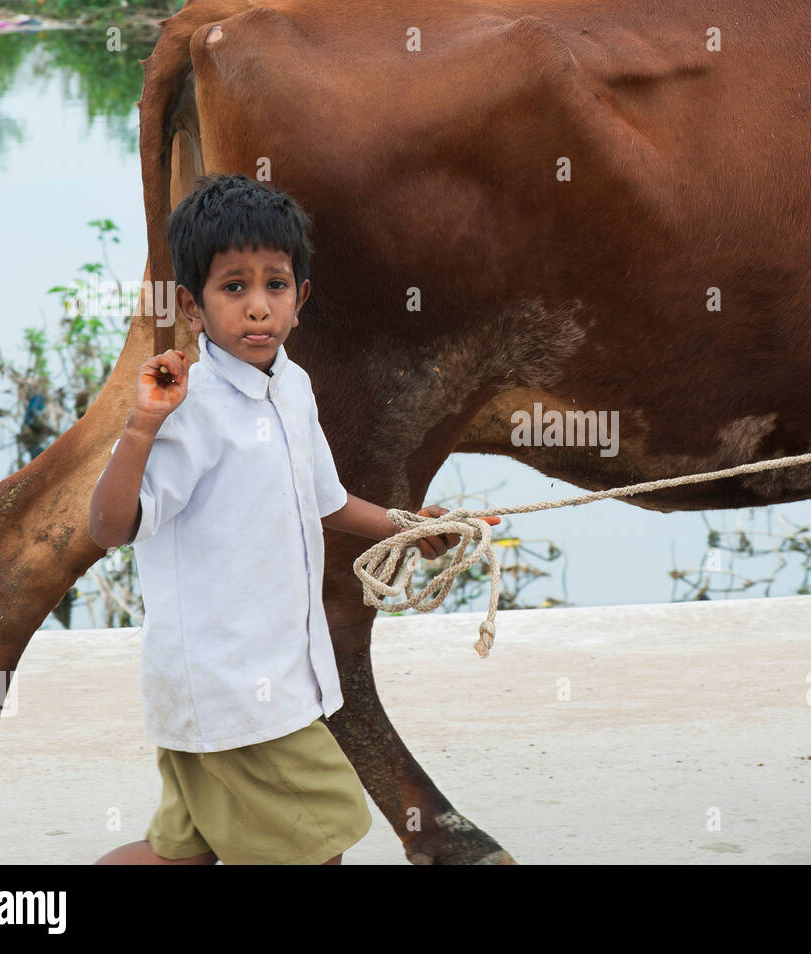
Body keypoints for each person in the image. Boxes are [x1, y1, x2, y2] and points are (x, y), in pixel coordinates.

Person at [89, 173, 498, 864]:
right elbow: (110, 527)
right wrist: (140, 428)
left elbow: (325, 500)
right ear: (192, 306)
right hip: (231, 688)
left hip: (262, 682)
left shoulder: (295, 387)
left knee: (181, 855)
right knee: (320, 836)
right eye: (233, 287)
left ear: (300, 300)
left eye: (275, 285)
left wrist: (411, 527)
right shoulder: (190, 408)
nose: (257, 308)